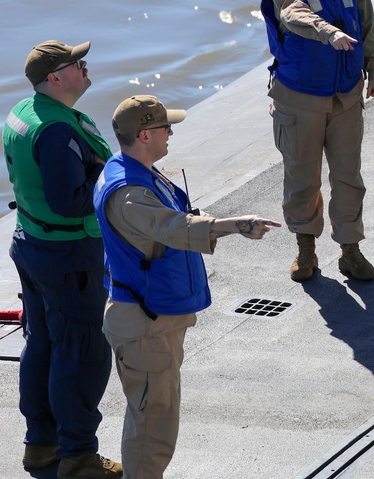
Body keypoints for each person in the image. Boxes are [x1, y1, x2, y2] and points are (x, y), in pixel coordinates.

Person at [93, 95, 280, 479]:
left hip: (155, 319)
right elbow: (173, 228)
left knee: (154, 419)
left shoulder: (138, 169)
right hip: (145, 324)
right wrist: (235, 224)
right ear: (144, 134)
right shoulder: (130, 192)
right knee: (152, 428)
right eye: (164, 127)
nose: (171, 133)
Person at [2, 40, 123, 478]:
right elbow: (69, 202)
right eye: (78, 63)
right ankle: (78, 457)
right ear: (55, 78)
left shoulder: (25, 111)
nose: (85, 66)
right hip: (68, 256)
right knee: (82, 354)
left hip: (32, 244)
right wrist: (105, 171)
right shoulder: (55, 131)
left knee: (43, 344)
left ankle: (41, 446)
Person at [260, 0, 374, 283]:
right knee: (302, 177)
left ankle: (350, 250)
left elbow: (368, 24)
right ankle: (305, 247)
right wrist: (327, 31)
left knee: (348, 177)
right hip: (300, 98)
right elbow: (293, 14)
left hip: (345, 95)